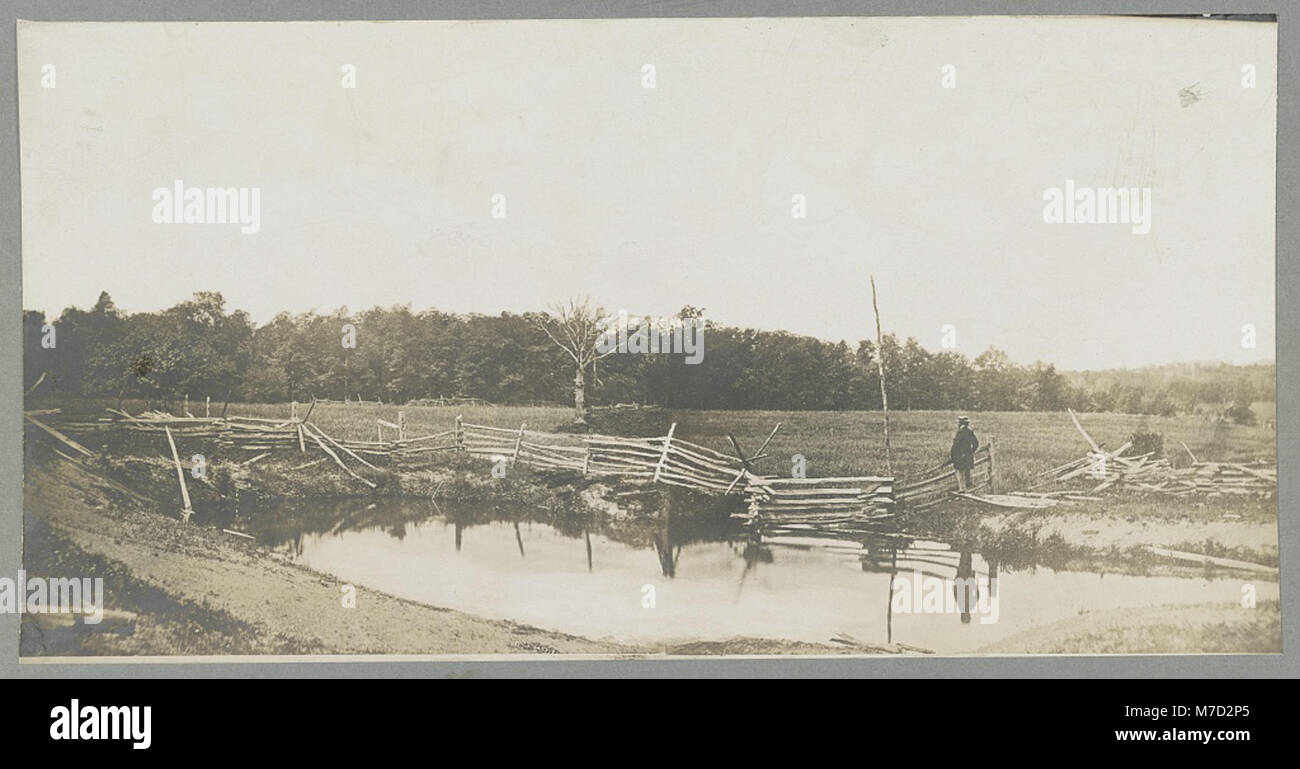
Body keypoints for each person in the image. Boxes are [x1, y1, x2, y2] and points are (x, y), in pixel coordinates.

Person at [950, 416, 979, 491]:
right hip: (968, 457)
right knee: (967, 473)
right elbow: (976, 443)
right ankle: (968, 489)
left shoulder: (960, 432)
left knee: (960, 474)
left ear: (960, 424)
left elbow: (955, 446)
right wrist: (970, 452)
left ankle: (962, 490)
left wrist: (953, 456)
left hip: (960, 457)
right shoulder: (970, 432)